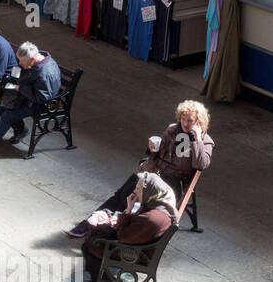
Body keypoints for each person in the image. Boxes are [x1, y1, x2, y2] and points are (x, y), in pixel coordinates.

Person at [67, 100, 213, 237]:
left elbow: (201, 164)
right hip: (152, 169)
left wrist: (197, 140)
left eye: (190, 120)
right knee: (122, 194)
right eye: (183, 119)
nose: (185, 123)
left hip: (171, 180)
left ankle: (110, 225)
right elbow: (154, 153)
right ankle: (90, 222)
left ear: (199, 122)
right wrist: (152, 148)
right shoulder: (172, 129)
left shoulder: (205, 141)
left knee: (132, 197)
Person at [79, 171, 177, 282]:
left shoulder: (152, 218)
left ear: (149, 191)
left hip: (137, 254)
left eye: (138, 189)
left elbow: (124, 236)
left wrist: (129, 210)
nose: (135, 192)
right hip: (140, 245)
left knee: (92, 245)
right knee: (97, 236)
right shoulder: (158, 205)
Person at [0, 42, 61, 159]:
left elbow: (41, 98)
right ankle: (22, 130)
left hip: (39, 104)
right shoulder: (37, 60)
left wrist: (21, 88)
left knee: (7, 116)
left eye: (22, 61)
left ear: (33, 59)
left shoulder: (45, 73)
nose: (20, 63)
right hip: (27, 97)